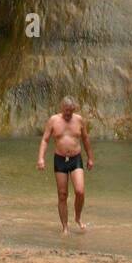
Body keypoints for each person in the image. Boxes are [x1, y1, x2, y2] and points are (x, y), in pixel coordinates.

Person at [37, 97, 93, 234]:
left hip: (76, 159)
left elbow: (85, 139)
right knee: (62, 195)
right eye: (66, 111)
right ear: (62, 108)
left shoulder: (79, 120)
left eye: (71, 111)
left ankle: (78, 217)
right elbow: (45, 139)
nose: (68, 113)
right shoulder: (53, 120)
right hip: (60, 159)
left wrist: (90, 157)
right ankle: (65, 228)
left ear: (74, 110)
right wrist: (41, 158)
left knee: (80, 191)